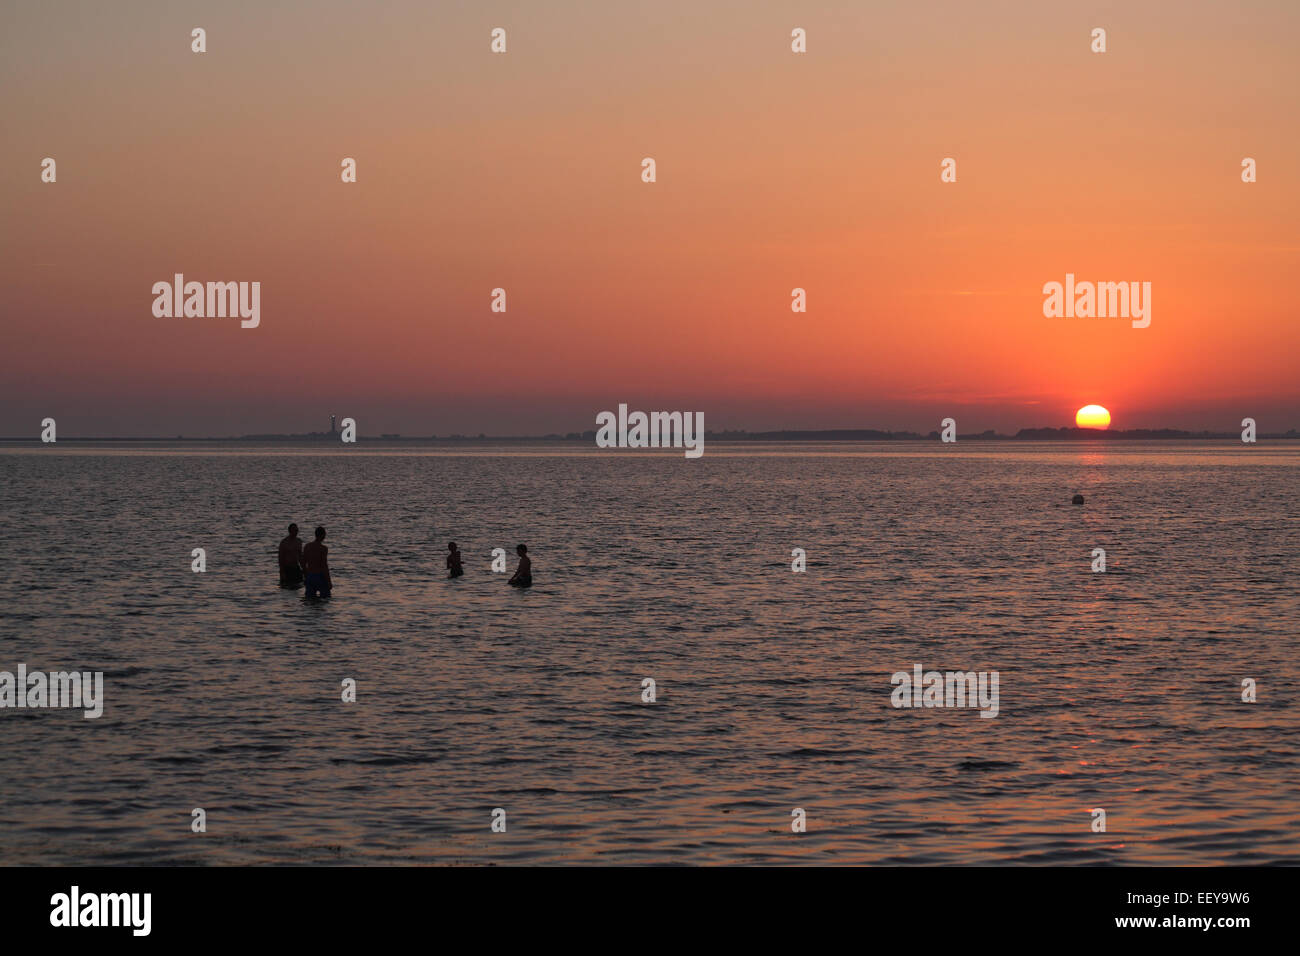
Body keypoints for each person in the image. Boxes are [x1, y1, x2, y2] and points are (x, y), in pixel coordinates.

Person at [302, 526, 332, 599]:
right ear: (323, 535)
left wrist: (306, 576)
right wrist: (329, 581)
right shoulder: (323, 549)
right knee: (326, 599)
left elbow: (303, 563)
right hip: (320, 576)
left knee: (309, 601)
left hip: (310, 576)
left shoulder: (307, 546)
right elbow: (324, 566)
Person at [278, 523, 304, 588]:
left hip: (296, 568)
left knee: (298, 586)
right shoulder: (284, 542)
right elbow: (281, 559)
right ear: (290, 531)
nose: (296, 531)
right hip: (287, 569)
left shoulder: (299, 541)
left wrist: (304, 569)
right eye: (295, 530)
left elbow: (300, 557)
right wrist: (282, 572)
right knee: (287, 587)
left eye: (297, 530)